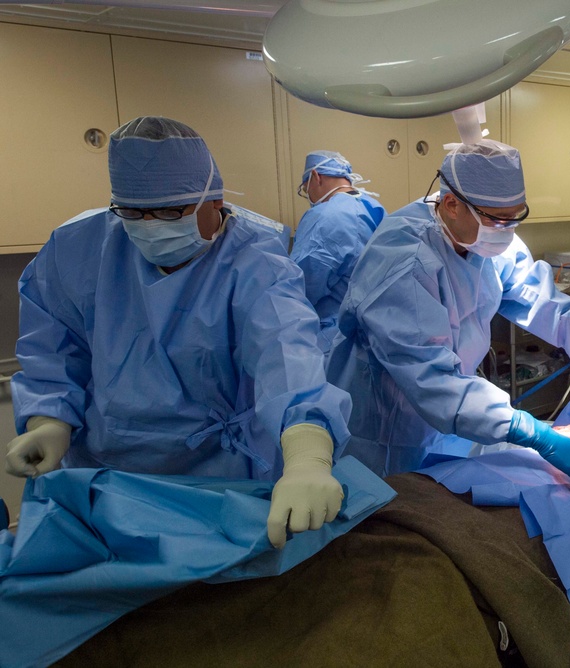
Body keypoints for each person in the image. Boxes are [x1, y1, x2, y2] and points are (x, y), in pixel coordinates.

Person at [5, 116, 352, 550]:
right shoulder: (78, 248)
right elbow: (54, 348)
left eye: (172, 211)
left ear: (216, 200)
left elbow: (287, 355)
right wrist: (49, 420)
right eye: (132, 212)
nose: (150, 226)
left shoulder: (256, 263)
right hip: (109, 475)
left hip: (218, 479)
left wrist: (307, 457)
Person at [328, 139, 570, 491]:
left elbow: (550, 307)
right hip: (379, 428)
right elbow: (434, 381)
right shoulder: (404, 262)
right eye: (499, 219)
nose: (507, 230)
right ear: (451, 204)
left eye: (516, 216)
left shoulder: (488, 241)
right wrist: (532, 432)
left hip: (442, 422)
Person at [290, 151, 385, 352]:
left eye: (306, 190)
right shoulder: (374, 207)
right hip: (377, 335)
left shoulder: (324, 217)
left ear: (316, 176)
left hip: (336, 340)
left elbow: (300, 286)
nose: (309, 197)